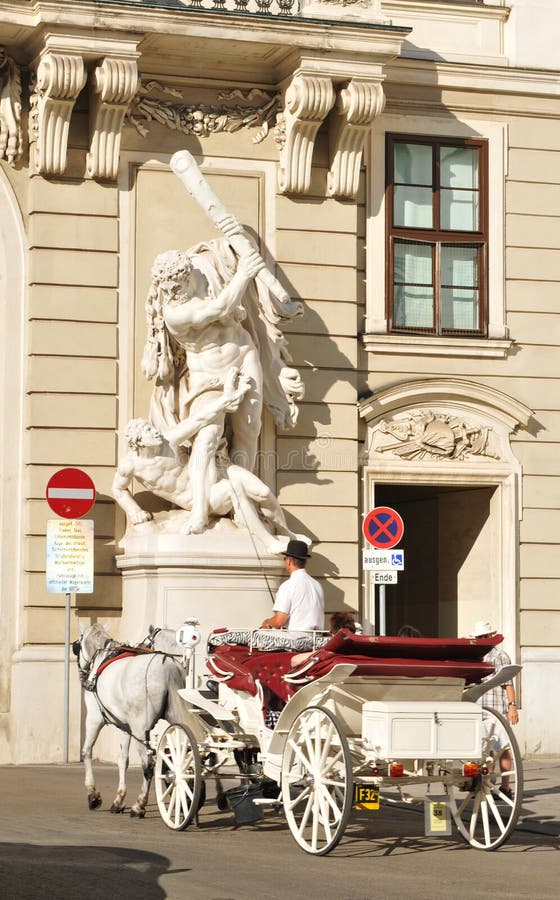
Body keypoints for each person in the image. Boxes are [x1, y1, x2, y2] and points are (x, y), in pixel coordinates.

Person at [112, 368, 301, 551]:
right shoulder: (131, 465)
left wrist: (226, 400)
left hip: (213, 475)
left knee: (264, 492)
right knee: (232, 490)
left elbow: (199, 419)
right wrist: (133, 510)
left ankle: (287, 533)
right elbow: (118, 489)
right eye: (147, 431)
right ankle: (269, 542)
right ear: (137, 442)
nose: (154, 431)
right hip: (196, 499)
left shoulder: (168, 440)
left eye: (151, 427)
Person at [470, 619, 519, 800]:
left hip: (496, 708)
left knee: (502, 747)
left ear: (491, 636)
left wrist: (512, 706)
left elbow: (508, 683)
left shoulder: (499, 656)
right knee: (484, 750)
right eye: (479, 637)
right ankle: (485, 783)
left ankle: (506, 786)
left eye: (485, 636)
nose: (482, 639)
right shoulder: (476, 656)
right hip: (478, 707)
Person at [260, 540, 324, 632]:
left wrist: (267, 622)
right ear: (305, 562)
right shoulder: (317, 585)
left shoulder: (288, 585)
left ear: (289, 561)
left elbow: (279, 621)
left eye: (285, 558)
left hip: (295, 640)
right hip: (315, 639)